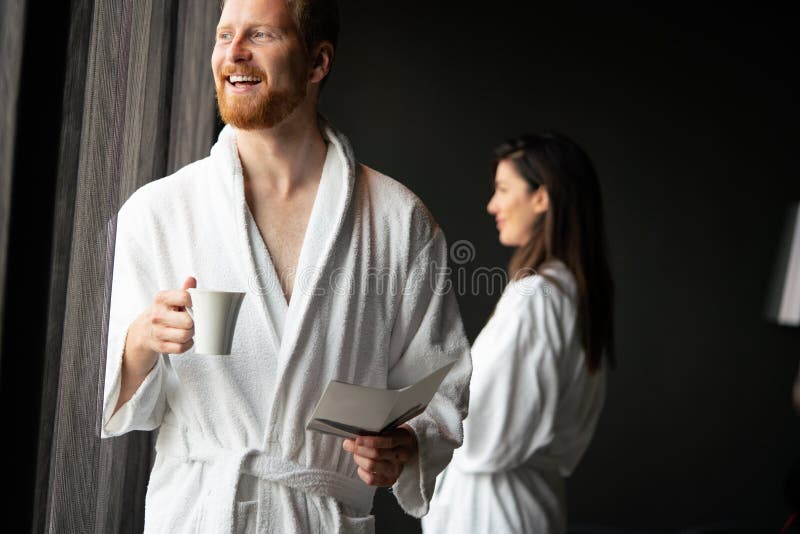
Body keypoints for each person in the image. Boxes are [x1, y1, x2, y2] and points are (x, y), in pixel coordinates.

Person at [100, 0, 472, 532]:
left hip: (320, 516)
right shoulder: (158, 212)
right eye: (223, 36)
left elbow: (442, 383)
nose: (233, 53)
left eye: (260, 35)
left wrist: (406, 445)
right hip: (200, 512)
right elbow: (124, 407)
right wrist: (140, 342)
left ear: (318, 62)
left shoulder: (397, 219)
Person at [422, 132, 614, 533]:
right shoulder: (571, 294)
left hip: (495, 515)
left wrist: (415, 417)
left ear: (541, 197)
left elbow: (486, 430)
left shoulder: (537, 297)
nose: (492, 204)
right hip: (528, 503)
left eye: (504, 189)